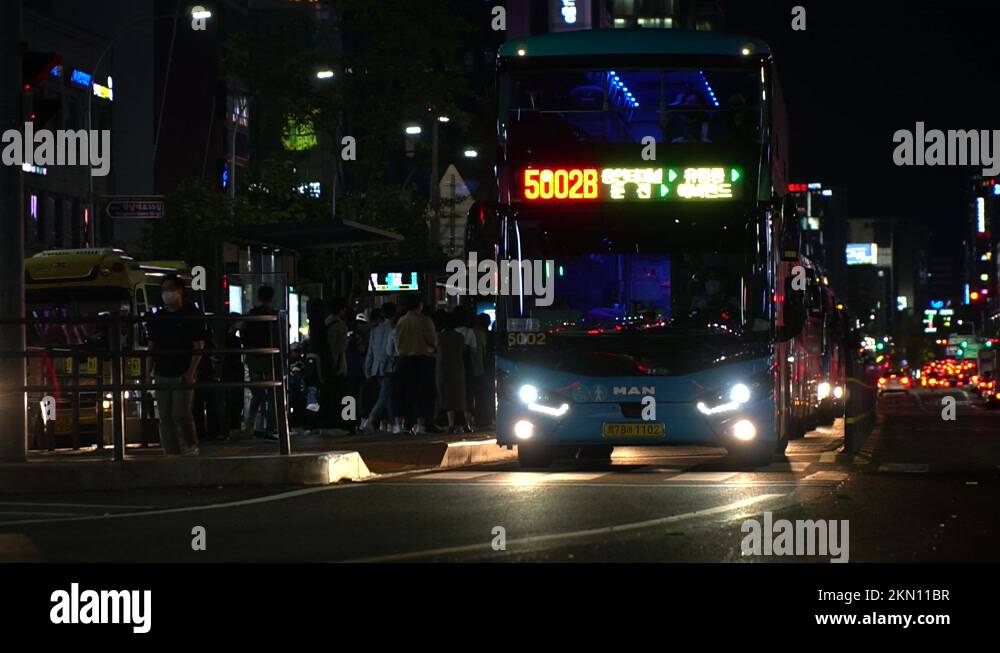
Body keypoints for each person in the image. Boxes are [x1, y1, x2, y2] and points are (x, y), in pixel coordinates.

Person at [147, 274, 207, 455]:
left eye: (170, 288)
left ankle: (190, 445)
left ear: (180, 290)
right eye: (164, 289)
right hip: (162, 371)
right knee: (165, 416)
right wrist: (147, 372)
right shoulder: (159, 317)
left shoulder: (192, 314)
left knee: (181, 414)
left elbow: (199, 346)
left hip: (183, 371)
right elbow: (152, 346)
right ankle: (171, 450)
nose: (167, 293)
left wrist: (191, 372)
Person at [393, 294, 438, 434]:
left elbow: (397, 341)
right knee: (425, 394)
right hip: (421, 360)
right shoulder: (424, 321)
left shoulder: (401, 321)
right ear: (420, 305)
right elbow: (433, 341)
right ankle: (424, 424)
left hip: (403, 360)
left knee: (406, 394)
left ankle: (406, 424)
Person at [242, 286, 279, 439]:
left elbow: (244, 335)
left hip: (254, 358)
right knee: (273, 394)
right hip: (271, 359)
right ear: (272, 298)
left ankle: (250, 425)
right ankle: (271, 427)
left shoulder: (251, 316)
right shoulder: (274, 315)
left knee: (257, 394)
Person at [362, 303, 399, 433]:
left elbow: (370, 351)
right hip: (389, 367)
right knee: (384, 397)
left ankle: (393, 424)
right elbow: (395, 350)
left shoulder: (375, 330)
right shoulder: (394, 330)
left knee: (386, 396)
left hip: (375, 367)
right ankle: (370, 420)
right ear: (395, 314)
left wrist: (367, 367)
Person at [437, 311, 471, 433]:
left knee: (447, 397)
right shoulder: (459, 337)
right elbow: (463, 351)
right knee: (459, 397)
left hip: (443, 369)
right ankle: (462, 424)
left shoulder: (439, 337)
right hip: (458, 368)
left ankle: (451, 423)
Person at [323, 298, 351, 434]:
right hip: (338, 365)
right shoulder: (340, 326)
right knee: (340, 395)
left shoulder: (325, 323)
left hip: (325, 365)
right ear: (341, 310)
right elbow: (341, 348)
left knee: (329, 395)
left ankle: (328, 422)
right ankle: (340, 423)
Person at [455, 307, 483, 431]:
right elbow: (474, 350)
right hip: (467, 365)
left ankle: (456, 423)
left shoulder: (451, 331)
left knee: (456, 393)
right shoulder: (469, 332)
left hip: (453, 365)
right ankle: (467, 423)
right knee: (468, 394)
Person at [219, 313, 246, 439]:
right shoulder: (233, 339)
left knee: (230, 400)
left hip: (228, 371)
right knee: (234, 400)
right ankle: (233, 428)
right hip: (233, 371)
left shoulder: (223, 338)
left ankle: (228, 429)